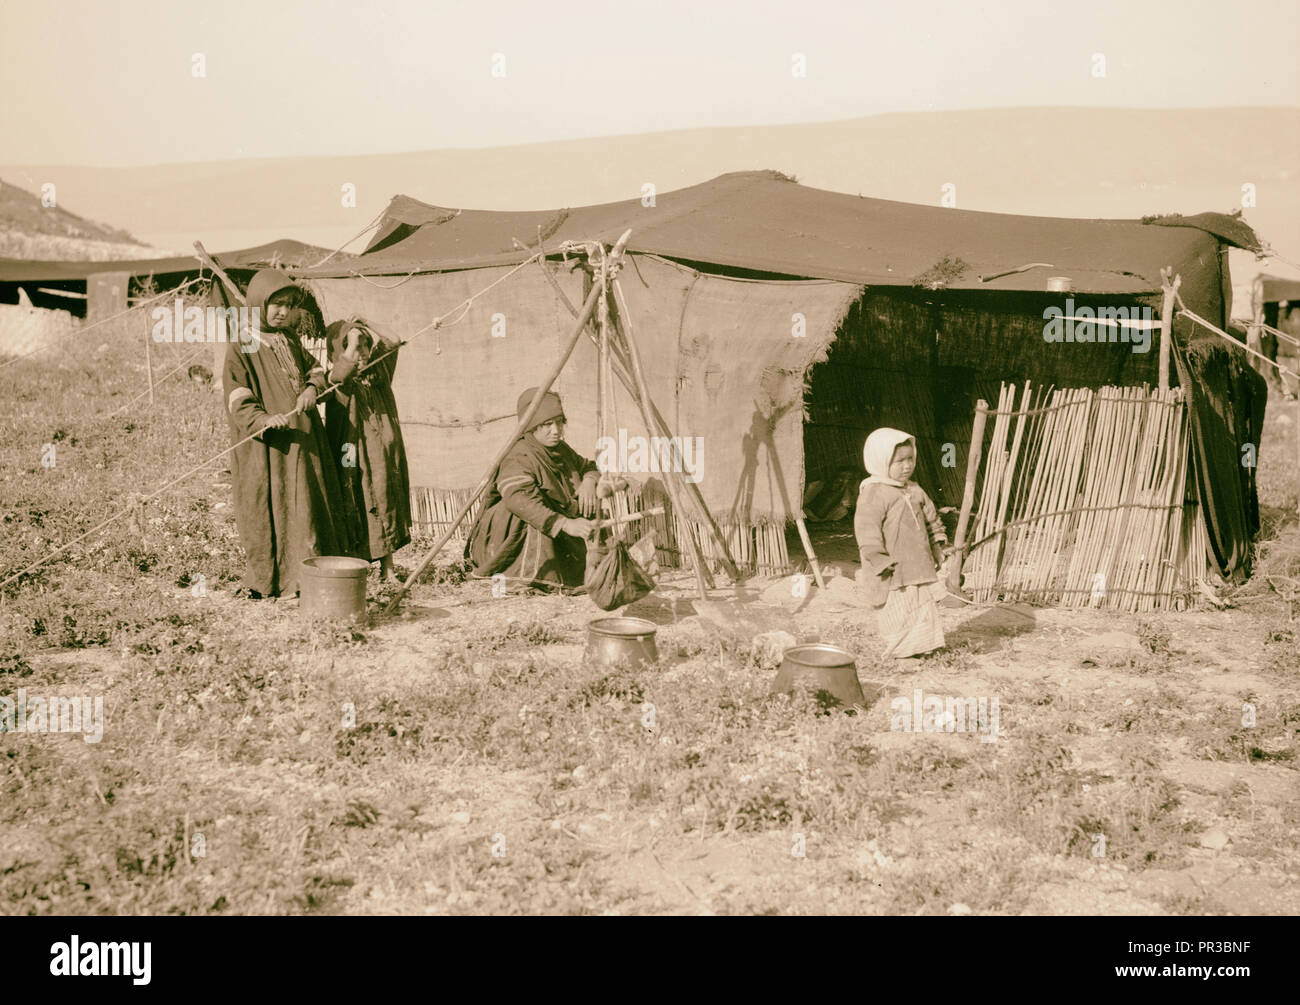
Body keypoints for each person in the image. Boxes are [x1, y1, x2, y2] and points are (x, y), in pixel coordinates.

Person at [223, 270, 357, 598]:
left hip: (305, 437)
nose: (283, 312)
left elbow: (315, 369)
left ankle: (308, 576)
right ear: (258, 304)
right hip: (269, 446)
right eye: (275, 304)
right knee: (273, 507)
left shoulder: (290, 339)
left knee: (308, 506)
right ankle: (275, 580)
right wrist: (263, 419)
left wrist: (312, 387)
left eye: (288, 305)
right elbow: (236, 396)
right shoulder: (243, 345)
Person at [465, 387, 600, 589]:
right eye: (547, 424)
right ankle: (531, 577)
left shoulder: (560, 449)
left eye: (559, 422)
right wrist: (565, 524)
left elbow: (588, 466)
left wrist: (589, 481)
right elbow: (519, 499)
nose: (556, 430)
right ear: (531, 425)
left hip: (551, 527)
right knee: (526, 510)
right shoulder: (519, 455)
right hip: (507, 536)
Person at [324, 318, 411, 583]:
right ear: (335, 353)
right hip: (352, 455)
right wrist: (350, 340)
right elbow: (341, 373)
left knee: (385, 501)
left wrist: (364, 319)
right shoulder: (336, 380)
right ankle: (354, 567)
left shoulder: (378, 374)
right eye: (351, 346)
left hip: (382, 456)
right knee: (358, 501)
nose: (360, 352)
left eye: (364, 345)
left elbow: (393, 339)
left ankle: (388, 567)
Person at [854, 427, 949, 658]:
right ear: (881, 460)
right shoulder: (874, 492)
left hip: (919, 562)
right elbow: (867, 531)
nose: (907, 466)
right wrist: (879, 559)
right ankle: (901, 653)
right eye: (899, 461)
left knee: (921, 604)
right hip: (893, 566)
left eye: (910, 459)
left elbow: (931, 519)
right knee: (898, 608)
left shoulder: (914, 489)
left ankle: (924, 646)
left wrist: (938, 544)